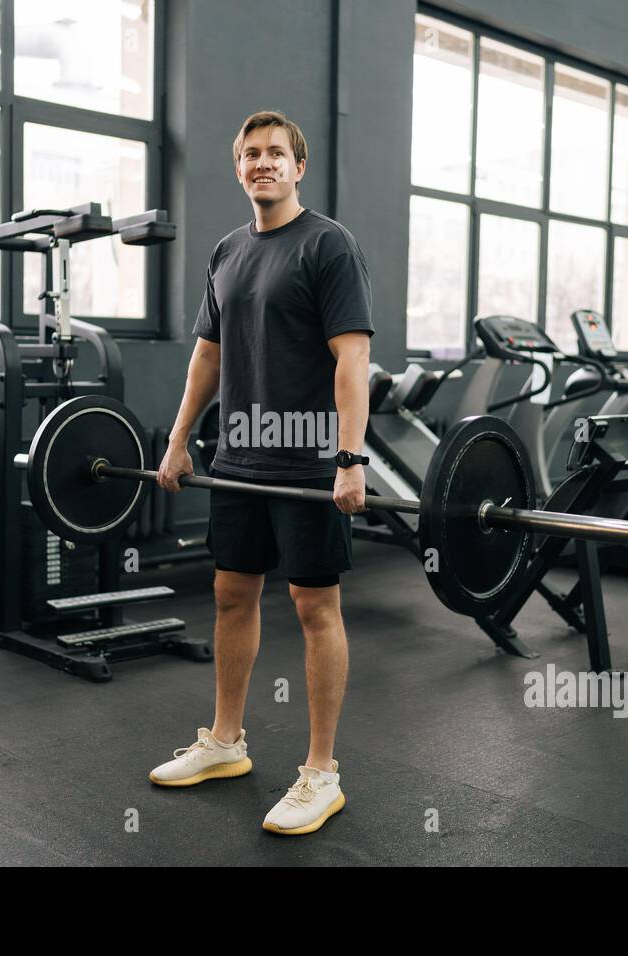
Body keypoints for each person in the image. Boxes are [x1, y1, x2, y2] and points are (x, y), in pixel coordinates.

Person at [148, 110, 374, 835]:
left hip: (307, 459)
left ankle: (320, 772)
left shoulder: (328, 246)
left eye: (276, 153)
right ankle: (225, 742)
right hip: (239, 455)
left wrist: (349, 457)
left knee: (314, 608)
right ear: (238, 169)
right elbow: (208, 358)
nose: (263, 163)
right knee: (230, 595)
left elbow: (352, 360)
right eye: (250, 154)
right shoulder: (227, 251)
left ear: (298, 167)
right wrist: (181, 441)